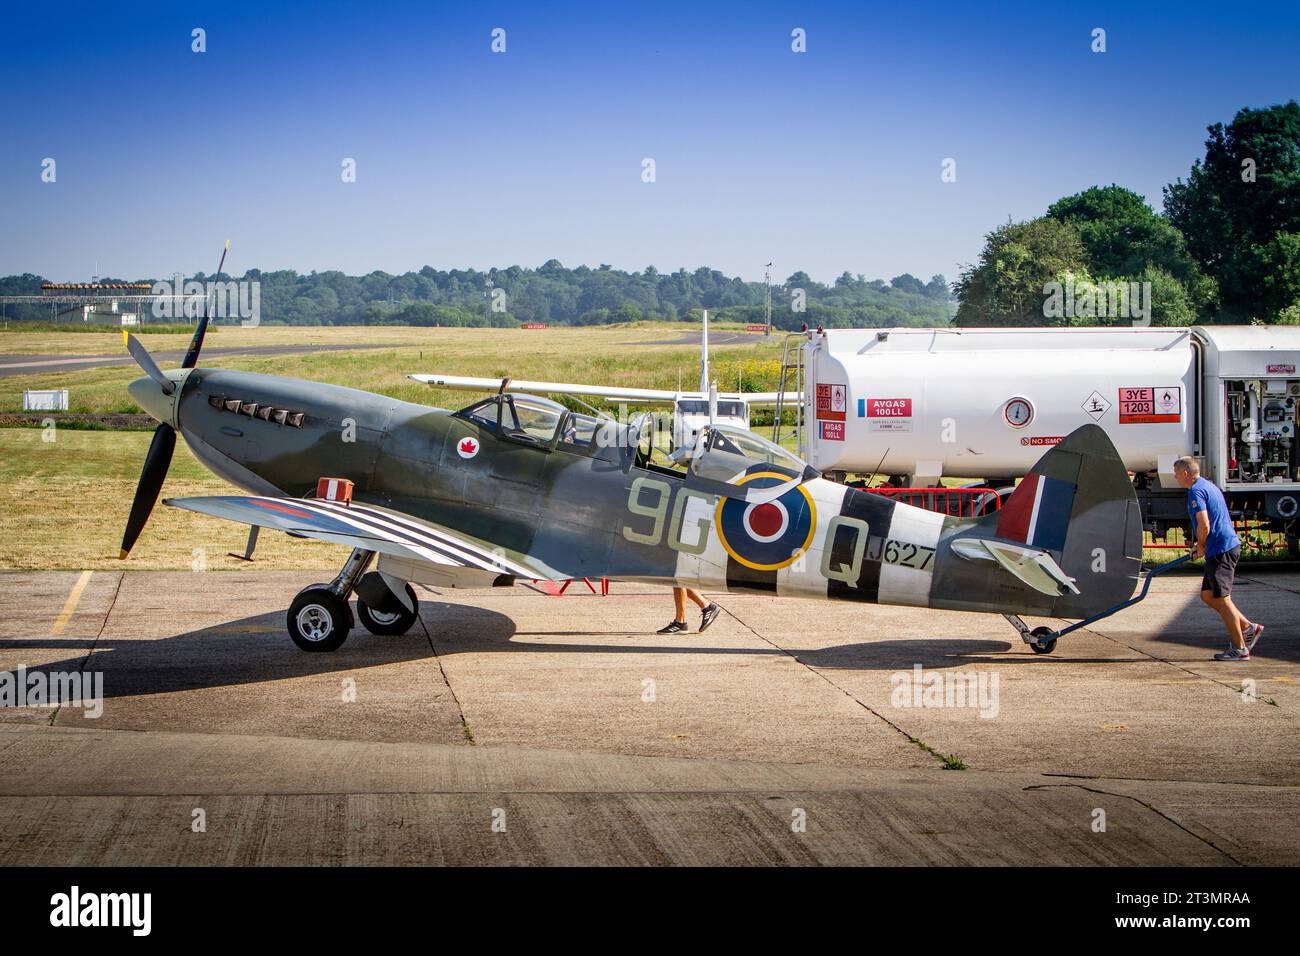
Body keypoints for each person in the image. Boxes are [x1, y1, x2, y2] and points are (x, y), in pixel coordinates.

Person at [1173, 456, 1262, 660]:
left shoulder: (1196, 491)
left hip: (1221, 548)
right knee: (1208, 595)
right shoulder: (1207, 485)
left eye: (1177, 474)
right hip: (1221, 547)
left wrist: (1201, 546)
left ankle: (1240, 649)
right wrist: (1201, 546)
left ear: (1185, 473)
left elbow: (1204, 524)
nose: (1176, 477)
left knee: (1223, 598)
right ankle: (1248, 628)